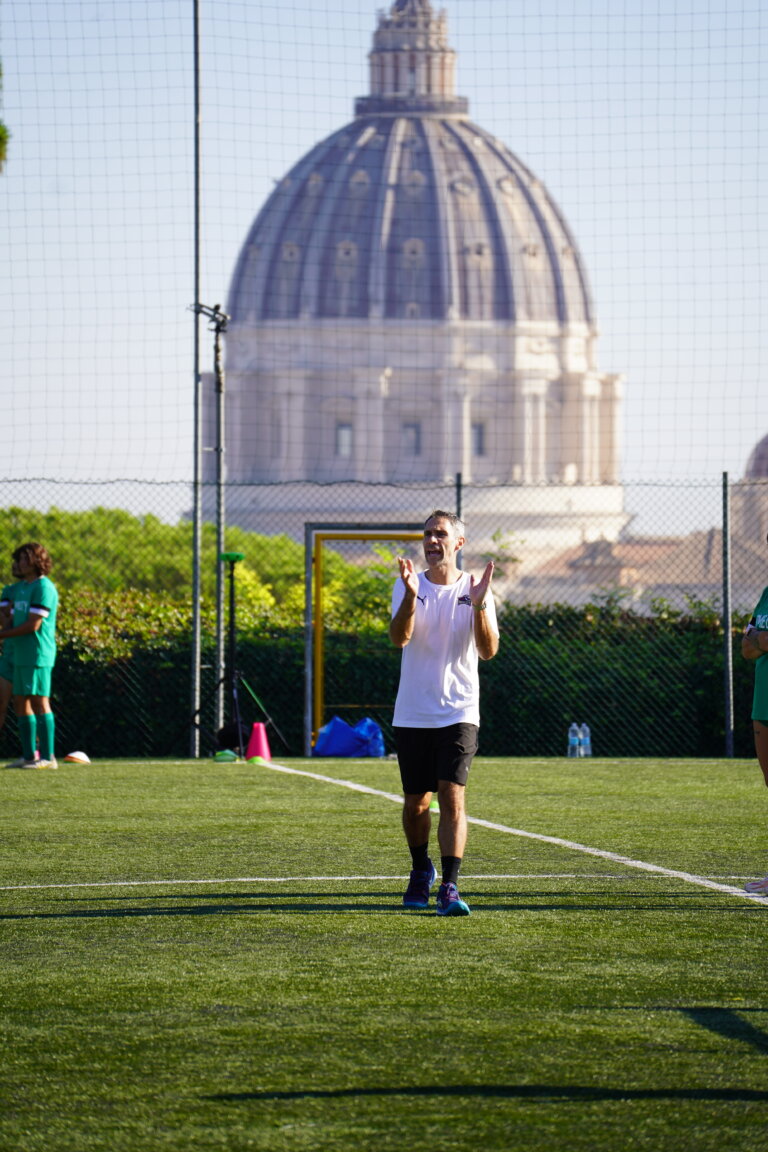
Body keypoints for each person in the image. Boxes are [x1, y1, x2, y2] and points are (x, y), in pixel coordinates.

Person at [390, 510, 499, 916]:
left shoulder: (476, 587)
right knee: (416, 802)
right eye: (427, 534)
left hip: (459, 711)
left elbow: (488, 650)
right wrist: (406, 595)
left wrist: (481, 605)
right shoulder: (409, 584)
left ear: (459, 543)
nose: (432, 540)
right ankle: (421, 870)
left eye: (441, 534)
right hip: (413, 712)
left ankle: (450, 886)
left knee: (453, 799)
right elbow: (398, 638)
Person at [0, 543, 59, 769]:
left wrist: (2, 634)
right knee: (20, 702)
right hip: (21, 653)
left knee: (39, 702)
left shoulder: (44, 587)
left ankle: (48, 758)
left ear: (36, 560)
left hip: (37, 653)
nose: (19, 563)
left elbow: (33, 625)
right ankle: (28, 757)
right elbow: (12, 618)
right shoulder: (22, 588)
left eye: (25, 558)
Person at [741, 531, 768, 893]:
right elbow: (747, 648)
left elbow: (757, 642)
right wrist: (760, 641)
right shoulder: (765, 594)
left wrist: (759, 642)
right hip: (763, 703)